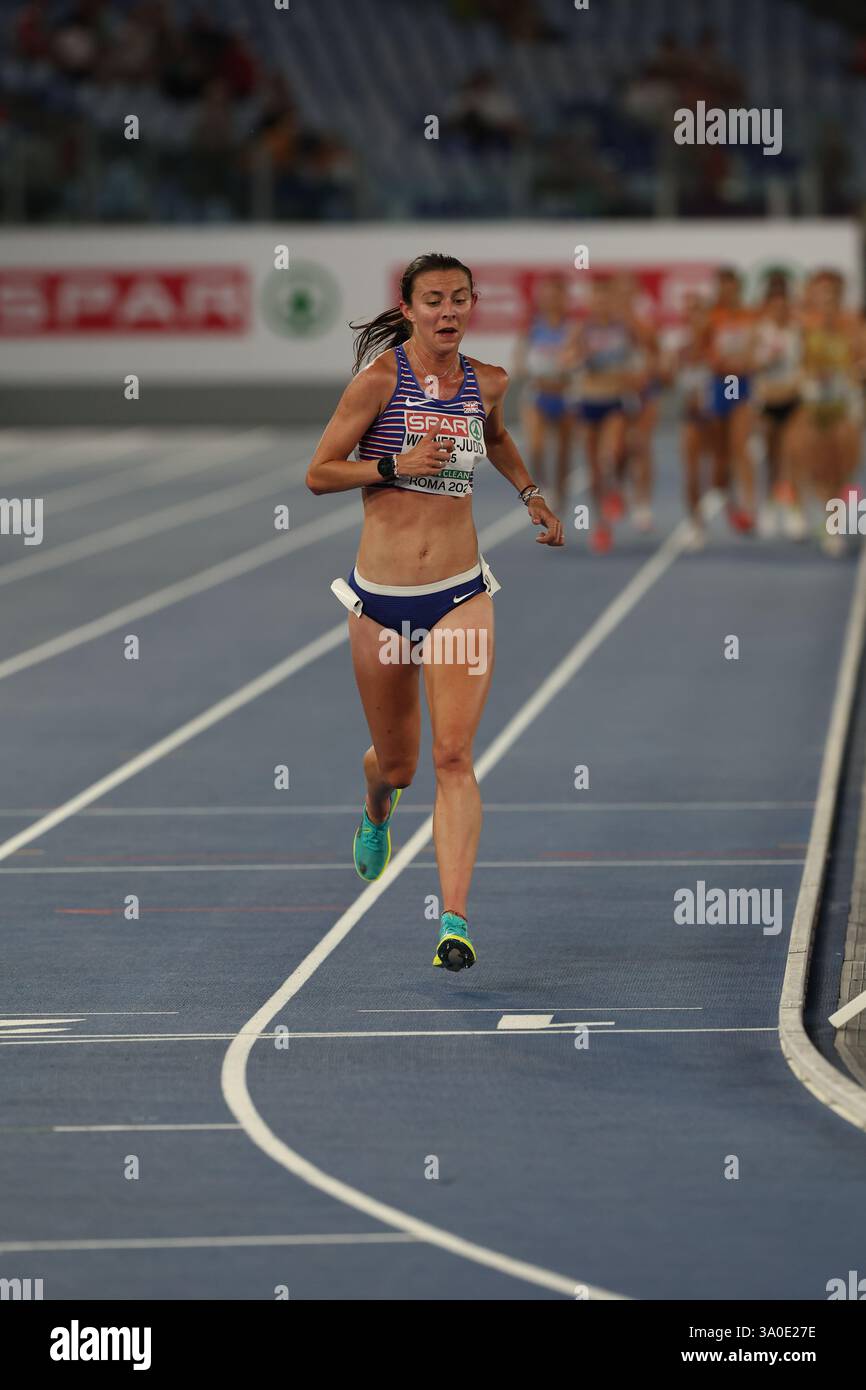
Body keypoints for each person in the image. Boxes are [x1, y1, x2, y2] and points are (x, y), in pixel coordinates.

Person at [306, 253, 564, 970]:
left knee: (454, 757)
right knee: (401, 763)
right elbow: (319, 472)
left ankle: (454, 920)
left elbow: (499, 436)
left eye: (458, 299)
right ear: (410, 308)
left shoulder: (488, 382)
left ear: (472, 304)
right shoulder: (378, 382)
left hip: (458, 595)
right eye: (433, 301)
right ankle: (375, 804)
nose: (447, 311)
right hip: (380, 601)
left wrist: (530, 493)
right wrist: (392, 467)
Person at [512, 274, 573, 515]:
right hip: (537, 394)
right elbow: (519, 359)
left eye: (555, 296)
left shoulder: (572, 328)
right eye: (546, 296)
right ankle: (543, 486)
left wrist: (566, 367)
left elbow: (577, 358)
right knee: (536, 446)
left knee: (563, 451)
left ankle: (560, 491)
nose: (550, 300)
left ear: (563, 298)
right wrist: (526, 369)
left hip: (565, 395)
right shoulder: (532, 326)